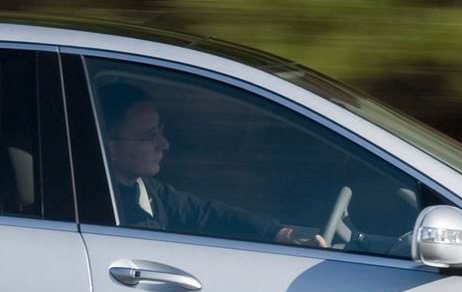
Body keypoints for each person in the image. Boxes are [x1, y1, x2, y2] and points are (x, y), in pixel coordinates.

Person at [96, 80, 352, 250]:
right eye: (149, 136)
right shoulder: (118, 212)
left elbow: (204, 213)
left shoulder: (144, 187)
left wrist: (279, 234)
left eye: (160, 130)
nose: (164, 144)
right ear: (111, 148)